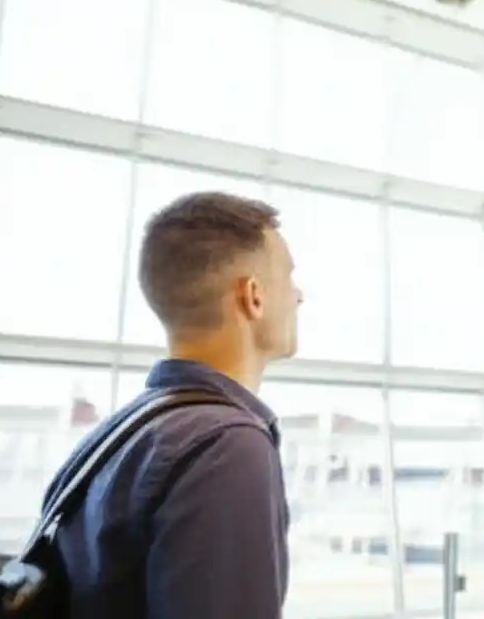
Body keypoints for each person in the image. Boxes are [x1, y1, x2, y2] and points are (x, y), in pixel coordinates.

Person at [42, 192, 302, 618]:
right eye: (289, 278)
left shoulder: (118, 433)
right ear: (253, 296)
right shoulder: (226, 446)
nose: (298, 295)